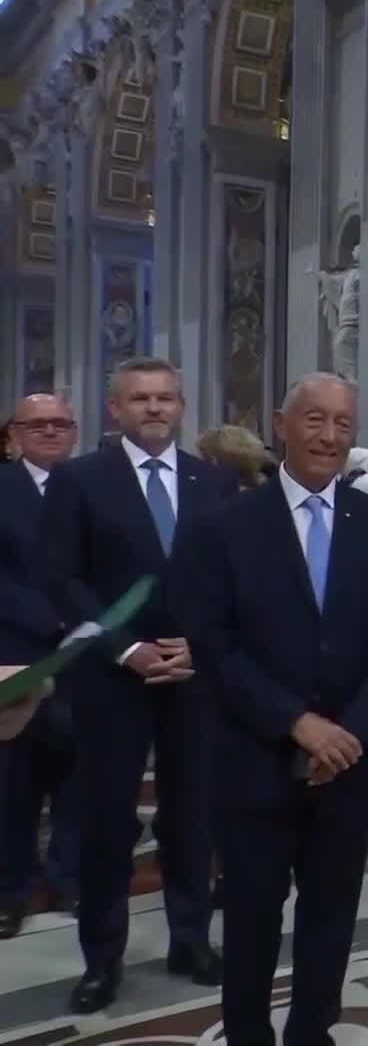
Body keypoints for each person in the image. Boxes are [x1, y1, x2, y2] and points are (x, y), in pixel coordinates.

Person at [174, 373, 368, 1046]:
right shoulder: (223, 526)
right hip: (254, 760)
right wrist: (297, 723)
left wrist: (349, 732)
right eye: (315, 420)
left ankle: (311, 1031)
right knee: (253, 917)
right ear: (282, 426)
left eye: (344, 423)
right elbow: (213, 643)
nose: (330, 436)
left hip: (348, 763)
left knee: (331, 915)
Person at [40, 356, 234, 1013]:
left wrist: (199, 645)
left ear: (181, 408)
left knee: (193, 819)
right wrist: (125, 647)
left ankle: (191, 938)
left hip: (192, 676)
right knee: (104, 824)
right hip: (109, 677)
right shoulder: (79, 480)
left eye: (166, 398)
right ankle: (102, 959)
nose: (155, 408)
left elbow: (230, 581)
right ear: (115, 409)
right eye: (141, 398)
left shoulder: (214, 483)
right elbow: (63, 579)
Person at [0, 393, 79, 934]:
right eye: (38, 425)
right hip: (16, 652)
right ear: (14, 434)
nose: (50, 432)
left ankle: (71, 878)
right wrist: (54, 618)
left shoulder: (91, 486)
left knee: (81, 774)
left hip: (86, 656)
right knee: (11, 782)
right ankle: (11, 890)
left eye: (60, 424)